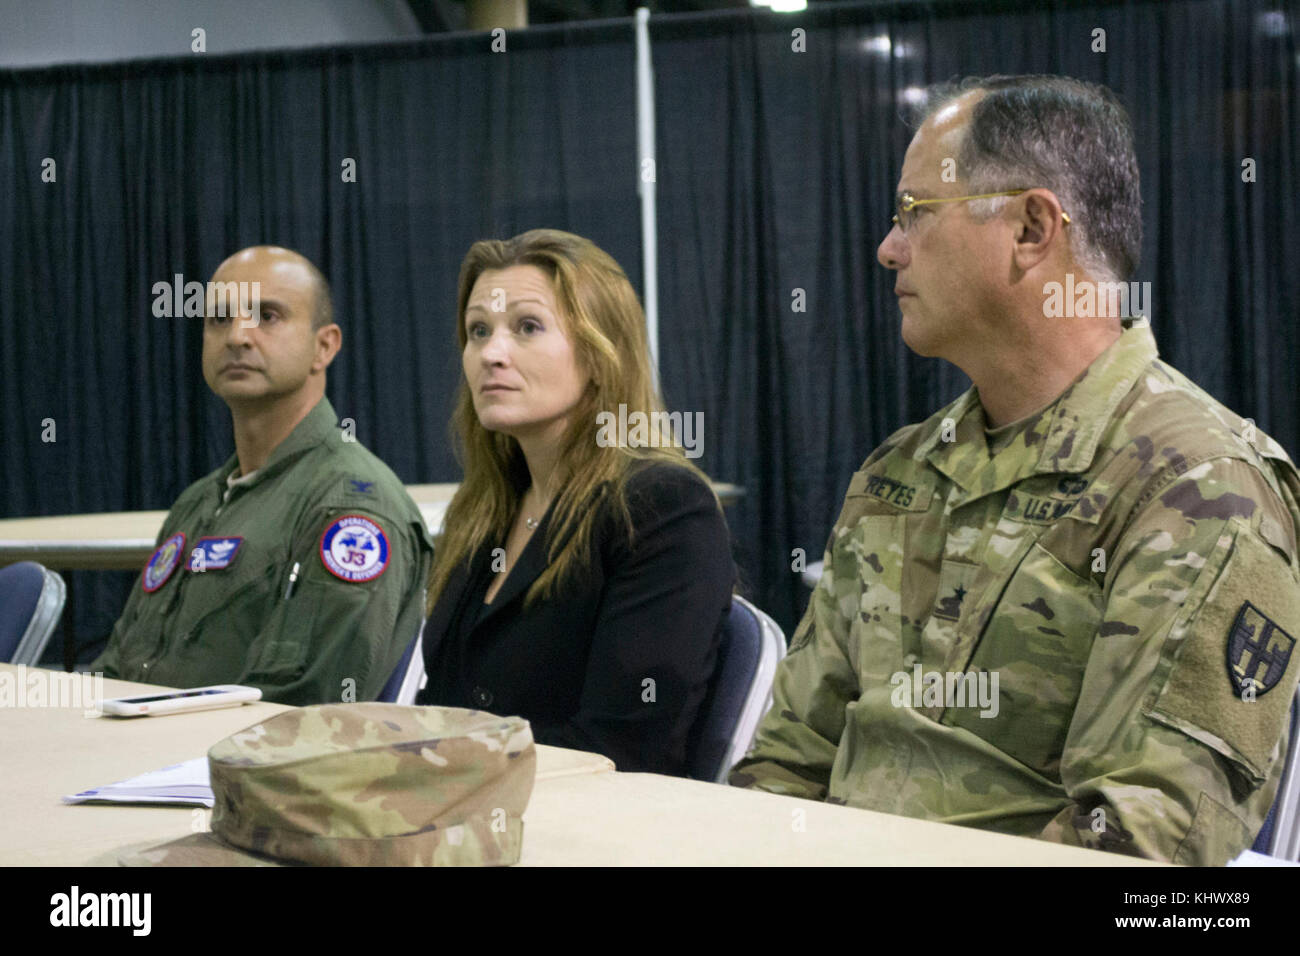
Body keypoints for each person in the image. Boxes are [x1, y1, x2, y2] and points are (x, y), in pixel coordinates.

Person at [730, 75, 1300, 865]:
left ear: (1032, 228)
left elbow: (1140, 846)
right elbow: (785, 762)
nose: (888, 247)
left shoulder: (1200, 486)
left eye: (915, 213)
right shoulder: (900, 472)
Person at [416, 228, 734, 777]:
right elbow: (437, 707)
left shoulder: (663, 508)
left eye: (528, 327)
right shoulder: (483, 511)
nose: (491, 353)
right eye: (477, 331)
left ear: (599, 350)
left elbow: (623, 749)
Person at [93, 246, 433, 706]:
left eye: (267, 316)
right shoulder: (196, 503)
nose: (237, 336)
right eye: (219, 319)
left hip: (230, 771)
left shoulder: (353, 506)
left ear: (325, 345)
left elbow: (306, 710)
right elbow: (115, 671)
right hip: (133, 761)